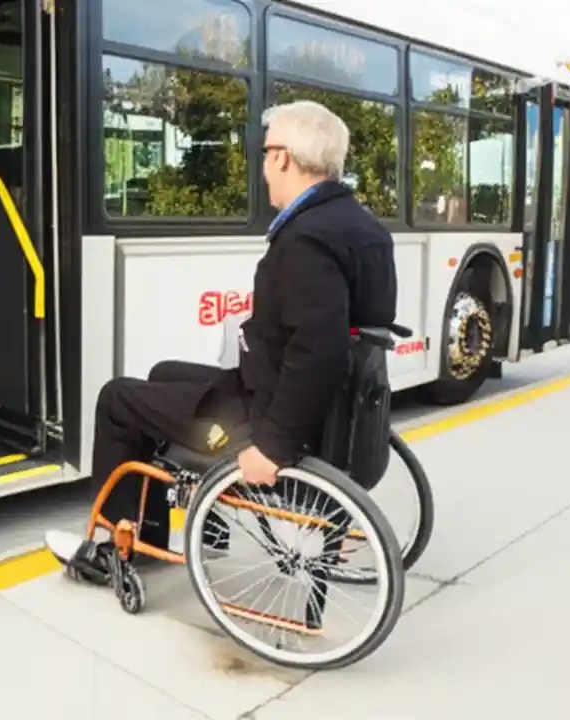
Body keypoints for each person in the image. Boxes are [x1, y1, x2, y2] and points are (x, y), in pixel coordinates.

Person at [45, 100, 398, 571]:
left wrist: (273, 447)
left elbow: (320, 351)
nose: (263, 168)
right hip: (326, 414)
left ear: (283, 158)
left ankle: (113, 548)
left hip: (266, 418)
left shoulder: (305, 241)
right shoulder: (363, 227)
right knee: (162, 373)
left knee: (117, 399)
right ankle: (186, 527)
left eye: (265, 153)